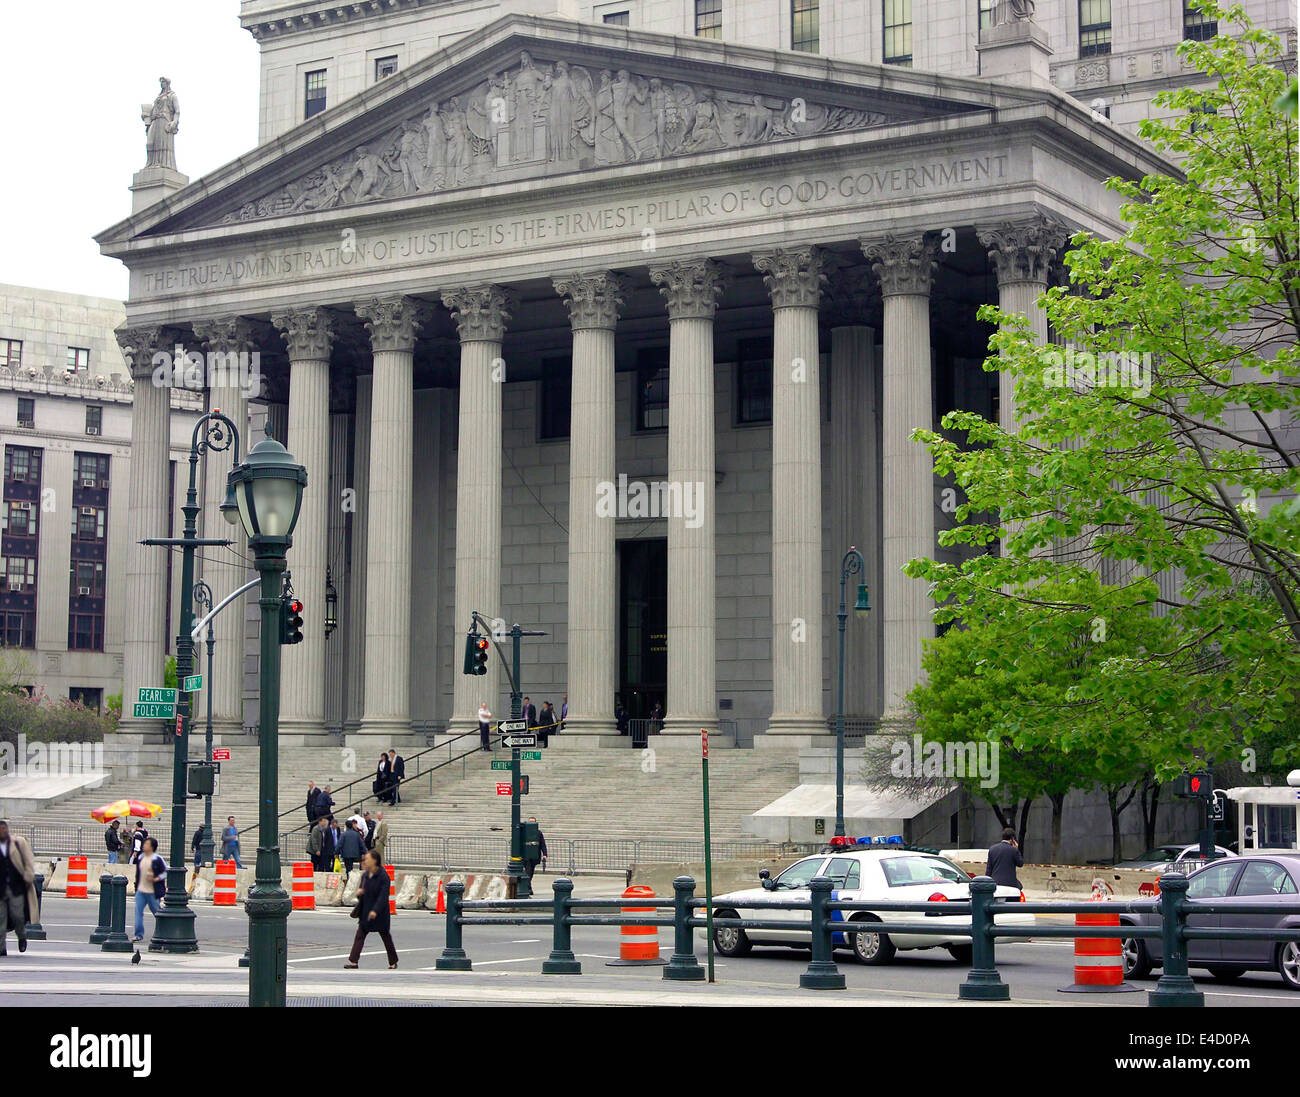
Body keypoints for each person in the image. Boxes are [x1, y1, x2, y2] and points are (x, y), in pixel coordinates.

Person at [345, 850, 398, 969]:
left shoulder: (383, 876)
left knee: (386, 937)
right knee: (360, 935)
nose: (365, 861)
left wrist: (375, 910)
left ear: (375, 860)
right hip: (366, 910)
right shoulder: (365, 875)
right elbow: (361, 893)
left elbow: (383, 896)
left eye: (367, 859)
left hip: (380, 913)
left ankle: (393, 962)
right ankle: (353, 961)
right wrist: (359, 893)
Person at [0, 819, 38, 956]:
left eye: (3, 829)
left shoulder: (18, 842)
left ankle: (22, 936)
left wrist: (28, 878)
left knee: (18, 916)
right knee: (1, 919)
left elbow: (28, 861)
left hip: (16, 887)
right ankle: (1, 947)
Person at [133, 837, 167, 943]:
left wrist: (157, 878)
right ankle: (138, 934)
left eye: (147, 844)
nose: (144, 845)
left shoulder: (157, 859)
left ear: (152, 847)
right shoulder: (141, 857)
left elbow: (166, 872)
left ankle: (164, 931)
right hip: (141, 890)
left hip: (153, 891)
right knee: (138, 912)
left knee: (157, 912)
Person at [523, 816, 547, 882]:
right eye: (530, 822)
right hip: (526, 855)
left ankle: (528, 884)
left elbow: (542, 843)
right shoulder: (524, 832)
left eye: (533, 822)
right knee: (528, 870)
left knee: (531, 871)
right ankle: (528, 886)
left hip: (535, 855)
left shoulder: (539, 833)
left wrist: (545, 854)